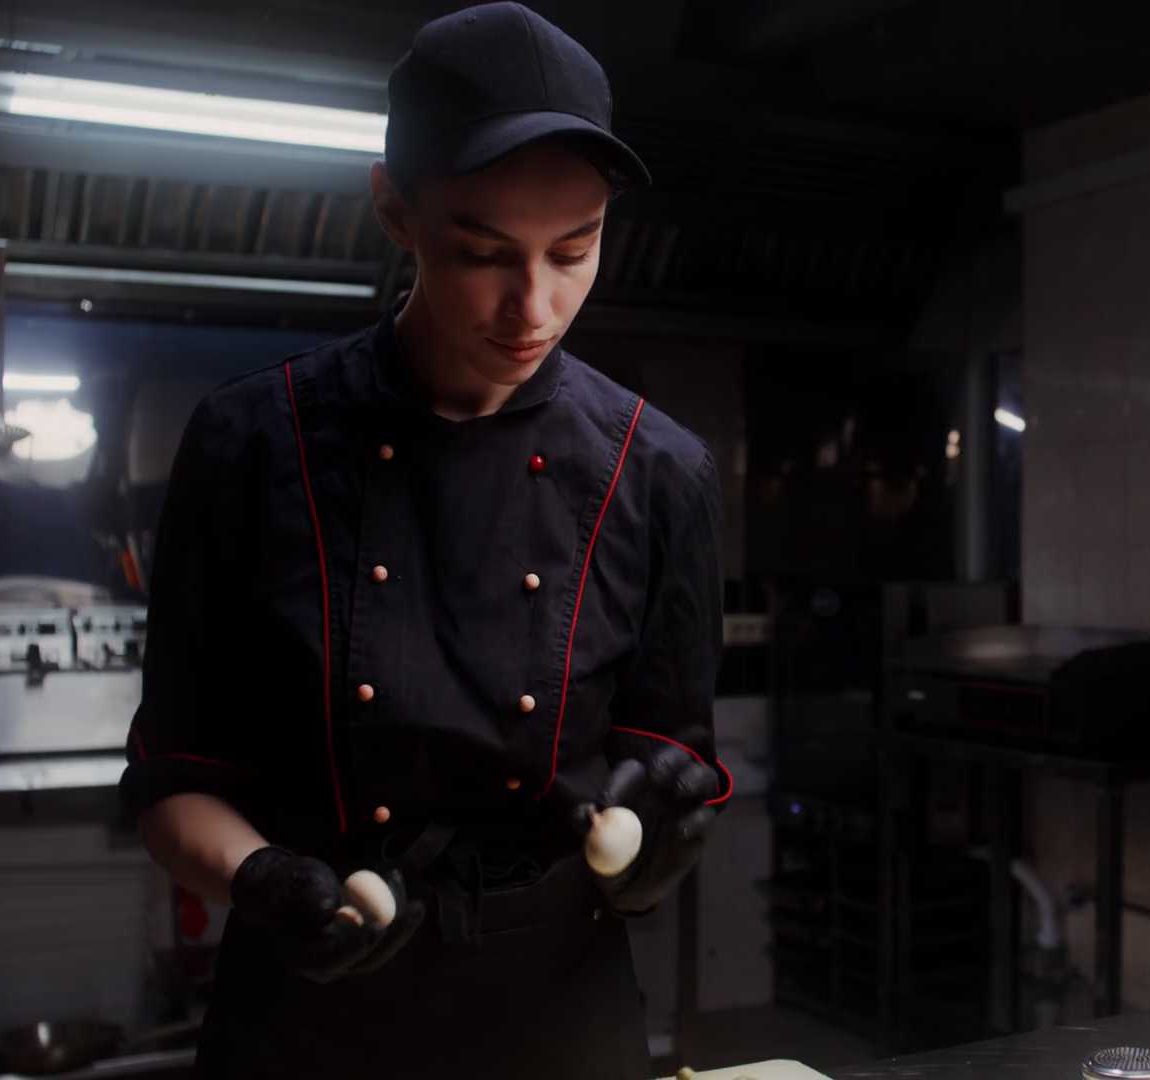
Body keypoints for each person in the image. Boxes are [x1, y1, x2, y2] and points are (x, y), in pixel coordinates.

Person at [119, 5, 728, 1077]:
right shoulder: (251, 445)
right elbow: (175, 779)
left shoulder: (658, 469)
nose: (531, 307)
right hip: (308, 1020)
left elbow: (671, 751)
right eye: (481, 253)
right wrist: (264, 881)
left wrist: (660, 845)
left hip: (559, 1013)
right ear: (394, 209)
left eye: (574, 251)